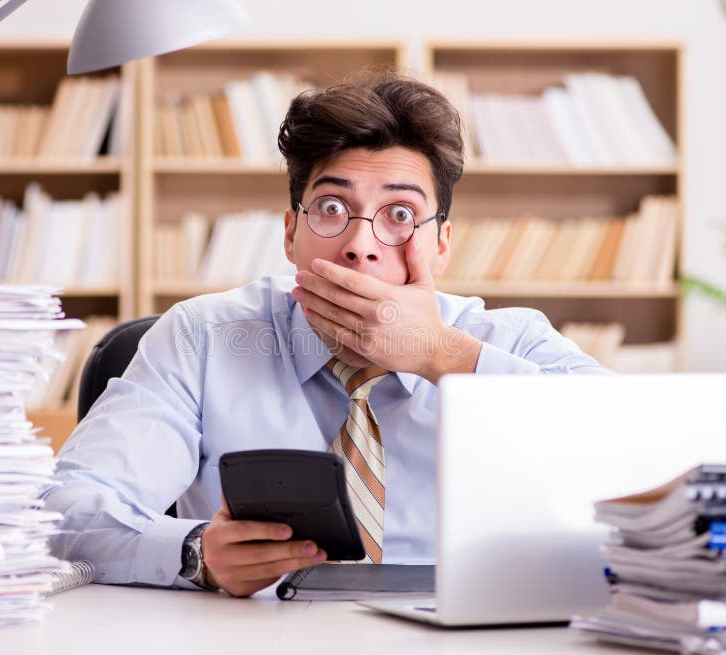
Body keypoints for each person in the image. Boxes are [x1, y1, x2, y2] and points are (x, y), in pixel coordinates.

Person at [42, 71, 606, 598]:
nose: (361, 244)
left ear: (441, 243)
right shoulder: (203, 338)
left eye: (400, 214)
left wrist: (439, 353)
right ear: (291, 234)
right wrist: (195, 555)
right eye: (332, 207)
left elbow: (635, 463)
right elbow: (65, 512)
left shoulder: (511, 340)